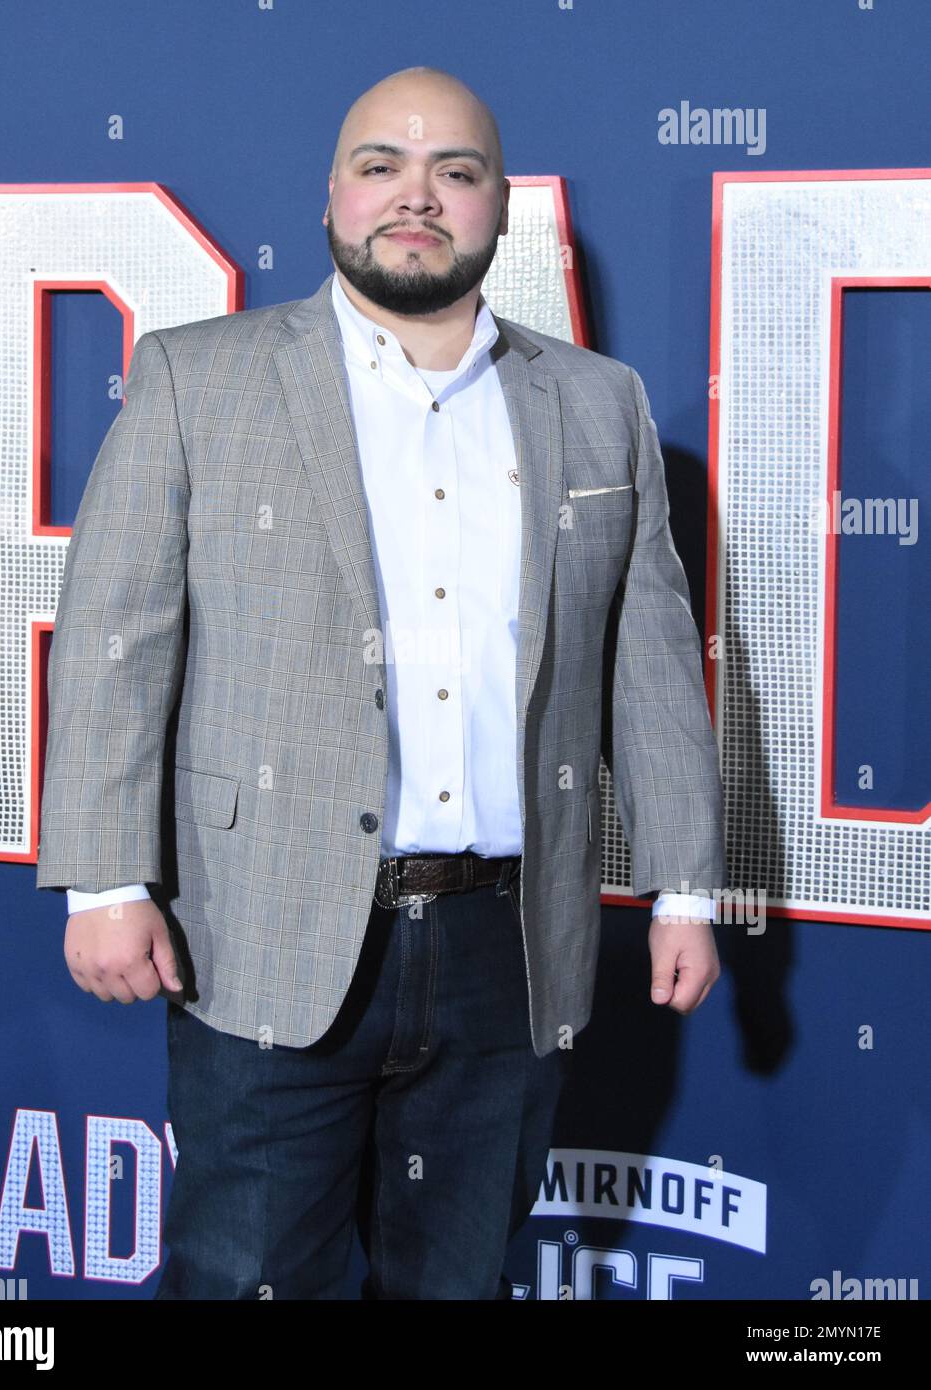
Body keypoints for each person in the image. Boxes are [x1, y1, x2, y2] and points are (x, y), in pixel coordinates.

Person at [36, 65, 727, 1300]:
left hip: (503, 951)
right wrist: (103, 876)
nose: (417, 195)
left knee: (455, 1283)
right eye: (381, 166)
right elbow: (115, 638)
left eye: (454, 172)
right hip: (260, 931)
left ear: (499, 211)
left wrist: (682, 887)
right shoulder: (198, 375)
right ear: (331, 199)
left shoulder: (595, 402)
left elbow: (651, 660)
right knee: (246, 1279)